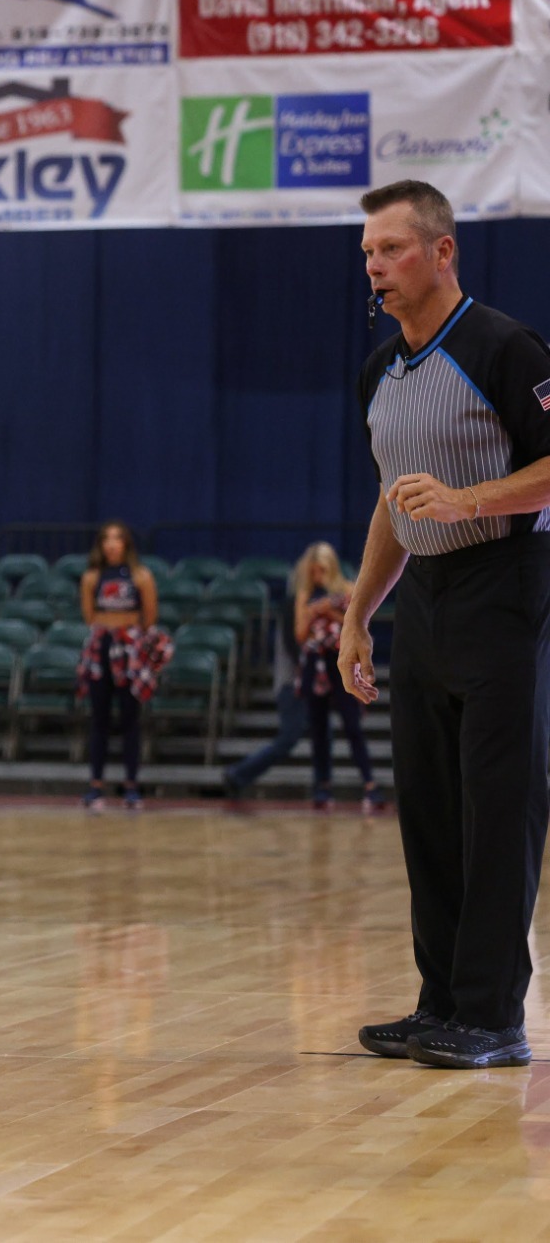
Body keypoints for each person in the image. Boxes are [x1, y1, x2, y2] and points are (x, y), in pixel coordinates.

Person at [343, 181, 550, 1070]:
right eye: (367, 254)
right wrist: (358, 615)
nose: (376, 268)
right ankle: (442, 1004)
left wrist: (465, 497)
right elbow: (395, 504)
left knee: (498, 807)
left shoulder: (503, 346)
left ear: (441, 252)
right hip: (423, 596)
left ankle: (494, 1015)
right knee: (427, 807)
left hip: (505, 584)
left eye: (390, 250)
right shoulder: (379, 373)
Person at [77, 522, 162, 812]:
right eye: (106, 539)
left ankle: (131, 787)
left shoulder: (141, 576)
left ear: (127, 544)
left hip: (130, 649)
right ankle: (96, 786)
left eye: (118, 539)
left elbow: (150, 616)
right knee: (99, 718)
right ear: (100, 545)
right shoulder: (91, 577)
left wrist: (129, 634)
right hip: (101, 646)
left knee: (130, 719)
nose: (112, 544)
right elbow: (89, 616)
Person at [289, 542, 378, 812]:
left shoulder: (349, 590)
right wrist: (309, 611)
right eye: (314, 571)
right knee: (318, 730)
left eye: (323, 570)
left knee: (352, 726)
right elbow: (300, 636)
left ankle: (370, 784)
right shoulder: (304, 595)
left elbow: (358, 629)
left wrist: (329, 612)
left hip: (340, 662)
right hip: (315, 663)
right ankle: (322, 785)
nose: (319, 577)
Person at [221, 556, 306, 798]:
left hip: (324, 679)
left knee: (329, 735)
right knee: (289, 737)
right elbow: (293, 643)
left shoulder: (326, 600)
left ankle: (328, 787)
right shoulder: (293, 604)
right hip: (293, 681)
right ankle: (238, 774)